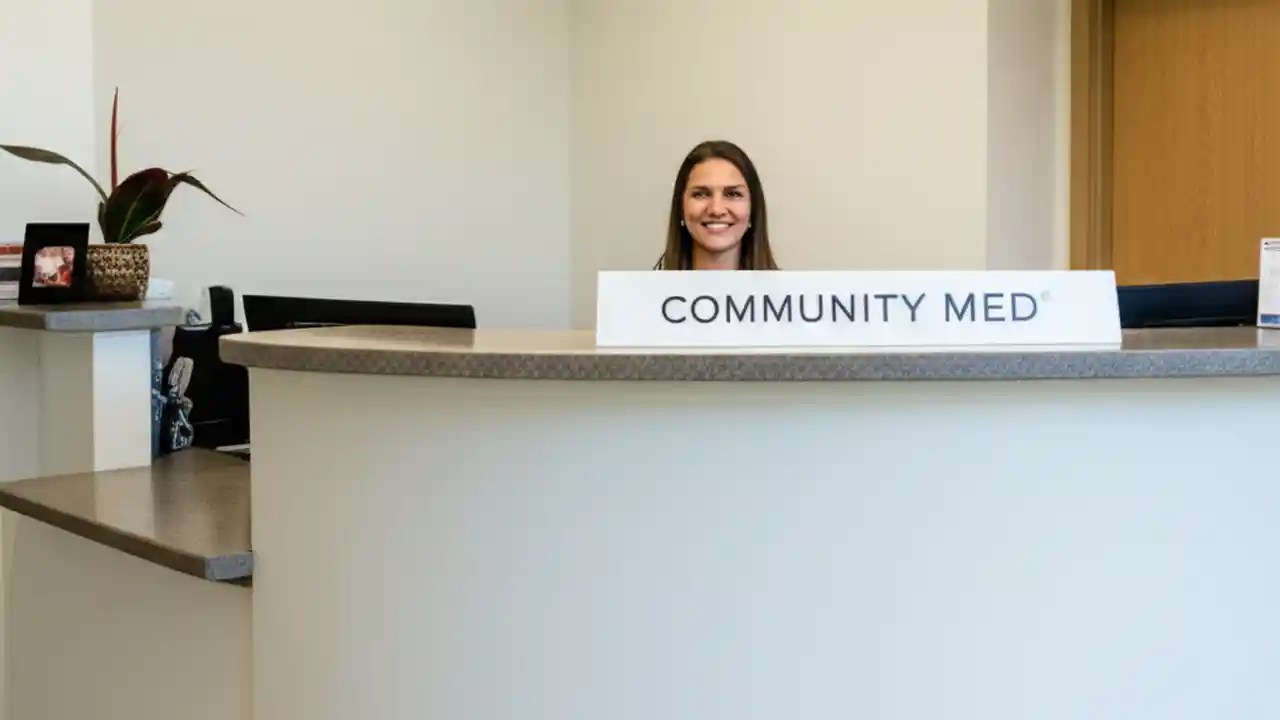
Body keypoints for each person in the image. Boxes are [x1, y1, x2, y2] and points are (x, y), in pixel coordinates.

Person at [655, 140, 779, 271]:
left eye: (732, 194)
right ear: (681, 207)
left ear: (753, 208)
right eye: (701, 194)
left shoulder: (789, 290)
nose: (716, 210)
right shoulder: (645, 291)